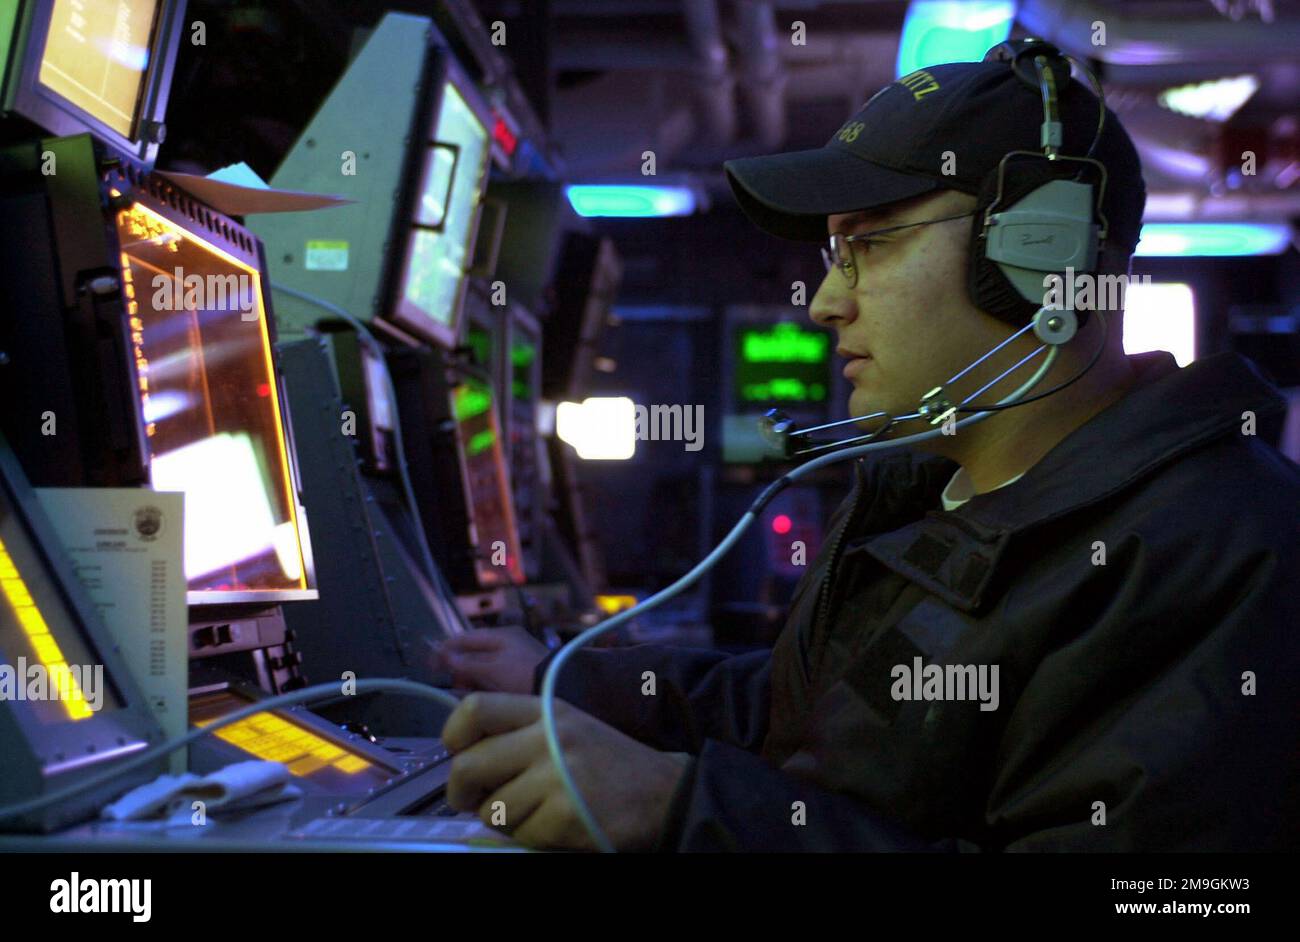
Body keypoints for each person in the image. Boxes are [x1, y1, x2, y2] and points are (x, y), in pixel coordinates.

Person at [433, 49, 1300, 852]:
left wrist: (686, 813)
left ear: (1044, 247)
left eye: (870, 246)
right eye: (831, 254)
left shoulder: (1217, 549)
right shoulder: (934, 489)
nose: (823, 304)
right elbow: (806, 719)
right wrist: (564, 680)